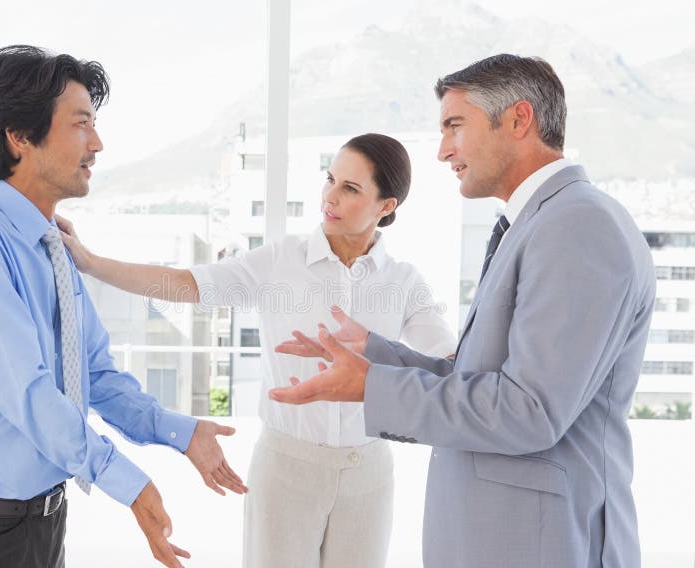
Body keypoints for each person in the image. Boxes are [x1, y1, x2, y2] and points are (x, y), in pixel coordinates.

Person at [270, 54, 655, 568]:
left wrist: (371, 385)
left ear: (519, 120)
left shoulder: (578, 226)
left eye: (455, 126)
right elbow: (484, 380)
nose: (442, 151)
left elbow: (529, 411)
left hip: (539, 545)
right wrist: (376, 357)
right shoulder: (539, 223)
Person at [0, 45, 247, 568]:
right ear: (19, 137)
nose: (98, 143)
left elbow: (92, 374)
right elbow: (26, 390)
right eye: (81, 124)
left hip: (43, 519)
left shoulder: (55, 246)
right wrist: (126, 482)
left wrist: (180, 432)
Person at [56, 132, 456, 567]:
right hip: (287, 469)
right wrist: (91, 263)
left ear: (386, 206)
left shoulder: (403, 281)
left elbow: (449, 365)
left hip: (370, 473)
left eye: (351, 188)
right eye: (330, 179)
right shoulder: (280, 260)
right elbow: (188, 285)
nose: (330, 197)